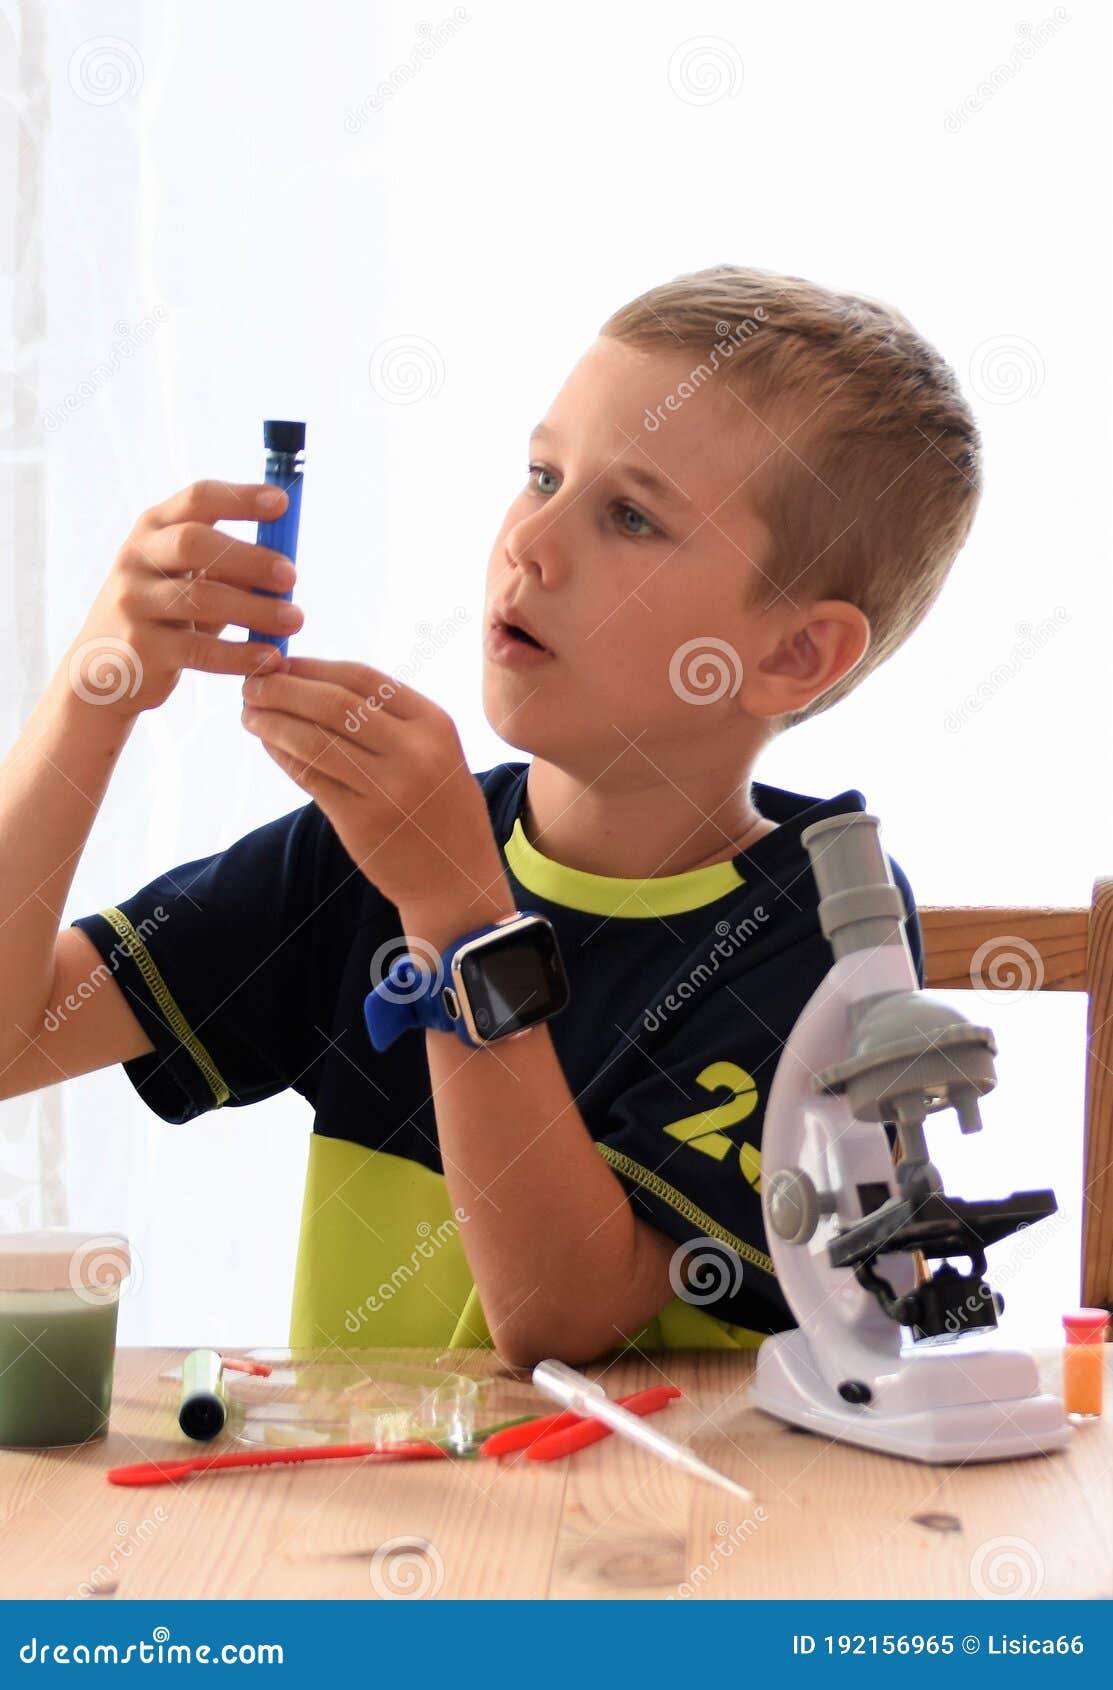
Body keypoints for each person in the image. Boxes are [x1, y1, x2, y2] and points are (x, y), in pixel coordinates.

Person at [0, 264, 981, 1367]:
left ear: (794, 652)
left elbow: (561, 1317)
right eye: (540, 473)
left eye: (630, 516)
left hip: (665, 1528)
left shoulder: (824, 922)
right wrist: (100, 687)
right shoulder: (372, 854)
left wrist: (457, 913)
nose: (530, 542)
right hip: (363, 1526)